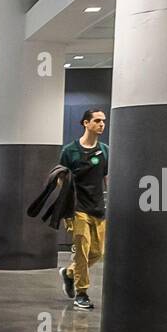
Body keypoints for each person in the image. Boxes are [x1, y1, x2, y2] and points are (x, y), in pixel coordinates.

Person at [57, 108, 108, 310]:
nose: (101, 124)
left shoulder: (105, 150)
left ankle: (69, 273)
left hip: (98, 209)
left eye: (103, 121)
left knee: (98, 252)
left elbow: (106, 177)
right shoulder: (70, 151)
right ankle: (82, 292)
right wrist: (68, 201)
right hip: (78, 210)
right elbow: (61, 178)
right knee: (82, 252)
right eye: (97, 120)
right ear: (85, 123)